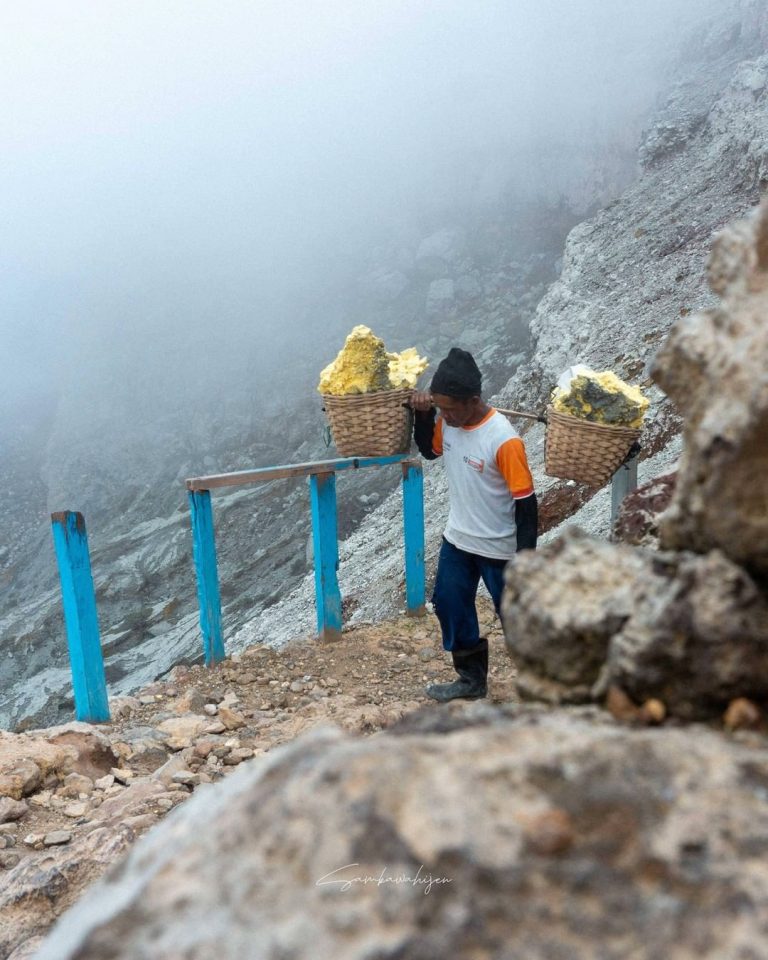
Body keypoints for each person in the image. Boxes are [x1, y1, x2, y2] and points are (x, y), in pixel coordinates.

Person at [410, 347, 538, 702]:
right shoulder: (447, 424)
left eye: (450, 408)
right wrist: (424, 415)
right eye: (441, 407)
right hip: (459, 540)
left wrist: (527, 560)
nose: (445, 415)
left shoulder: (503, 439)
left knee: (516, 618)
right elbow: (429, 450)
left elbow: (526, 504)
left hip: (499, 547)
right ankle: (471, 679)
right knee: (449, 603)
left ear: (474, 400)